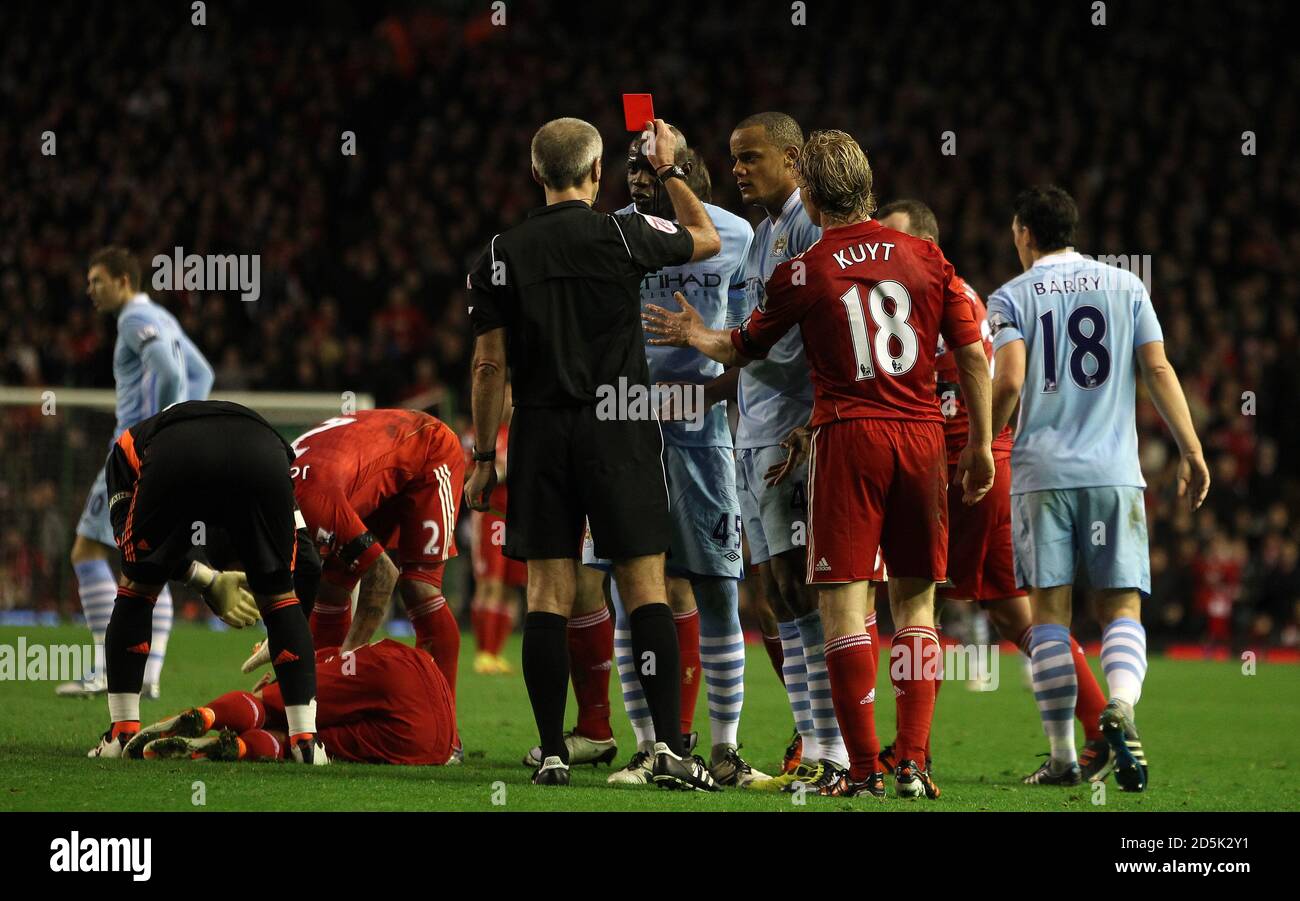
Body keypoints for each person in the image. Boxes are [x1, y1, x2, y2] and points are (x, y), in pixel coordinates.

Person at [644, 130, 995, 799]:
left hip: (848, 436)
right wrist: (977, 442)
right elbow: (973, 353)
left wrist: (695, 334)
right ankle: (915, 763)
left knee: (840, 604)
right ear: (866, 185)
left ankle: (859, 767)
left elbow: (745, 345)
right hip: (922, 434)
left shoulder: (805, 270)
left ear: (808, 187)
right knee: (916, 602)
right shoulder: (927, 256)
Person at [466, 115, 722, 789]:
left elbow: (488, 366)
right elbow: (706, 238)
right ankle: (669, 748)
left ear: (535, 173)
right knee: (644, 585)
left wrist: (483, 456)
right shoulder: (621, 231)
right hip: (618, 424)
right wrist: (669, 169)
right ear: (596, 172)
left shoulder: (500, 252)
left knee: (547, 591)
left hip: (541, 430)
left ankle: (552, 750)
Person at [876, 199, 1112, 782]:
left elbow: (992, 377)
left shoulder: (921, 295)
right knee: (1014, 614)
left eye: (894, 239)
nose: (884, 251)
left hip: (956, 470)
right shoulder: (963, 293)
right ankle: (1104, 726)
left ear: (926, 243)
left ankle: (912, 751)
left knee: (913, 600)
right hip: (995, 465)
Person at [987, 185, 1210, 790]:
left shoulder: (1009, 297)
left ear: (1025, 234)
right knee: (1121, 606)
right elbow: (1158, 369)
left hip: (1041, 475)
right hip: (1115, 473)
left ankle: (1061, 756)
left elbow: (1008, 381)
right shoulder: (1127, 287)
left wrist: (982, 441)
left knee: (1051, 616)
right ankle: (1121, 706)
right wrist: (1191, 448)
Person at [586, 131, 764, 787]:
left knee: (719, 586)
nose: (636, 174)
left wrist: (695, 386)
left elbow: (751, 348)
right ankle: (648, 746)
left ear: (680, 168)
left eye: (649, 163)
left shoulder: (737, 236)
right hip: (625, 431)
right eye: (629, 164)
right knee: (627, 588)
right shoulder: (609, 236)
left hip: (700, 434)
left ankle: (725, 748)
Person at [723, 112, 856, 791]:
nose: (740, 169)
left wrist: (813, 417)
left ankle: (836, 748)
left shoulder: (808, 224)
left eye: (751, 158)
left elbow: (817, 330)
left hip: (798, 428)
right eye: (734, 159)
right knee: (774, 590)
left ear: (793, 158)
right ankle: (813, 739)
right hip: (756, 428)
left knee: (807, 588)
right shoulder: (761, 237)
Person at [87, 400, 323, 764]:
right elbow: (308, 563)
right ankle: (305, 741)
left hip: (182, 455)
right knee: (279, 595)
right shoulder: (250, 445)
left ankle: (122, 733)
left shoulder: (132, 448)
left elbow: (136, 556)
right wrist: (283, 631)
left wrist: (201, 578)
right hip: (265, 451)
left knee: (136, 587)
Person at [57, 246, 213, 700]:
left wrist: (159, 426)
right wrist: (181, 425)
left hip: (130, 453)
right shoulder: (165, 318)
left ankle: (108, 667)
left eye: (97, 280)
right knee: (148, 563)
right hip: (160, 457)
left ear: (124, 281)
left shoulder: (131, 319)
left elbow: (168, 369)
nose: (90, 290)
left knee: (85, 551)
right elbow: (201, 373)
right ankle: (148, 673)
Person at [125, 639, 455, 766]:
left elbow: (328, 659)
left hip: (394, 670)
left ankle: (209, 715)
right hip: (432, 746)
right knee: (304, 742)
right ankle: (234, 748)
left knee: (279, 706)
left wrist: (277, 684)